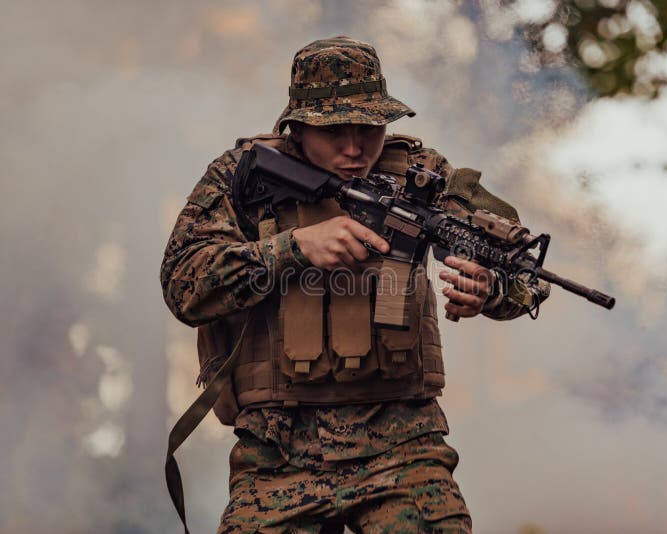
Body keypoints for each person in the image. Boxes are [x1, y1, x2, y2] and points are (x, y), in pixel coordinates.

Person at [161, 35, 548, 534]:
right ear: (297, 127)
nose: (354, 147)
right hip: (276, 453)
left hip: (402, 445)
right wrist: (292, 248)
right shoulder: (241, 177)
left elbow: (526, 274)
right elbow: (182, 284)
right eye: (334, 130)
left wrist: (491, 290)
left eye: (369, 128)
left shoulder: (419, 176)